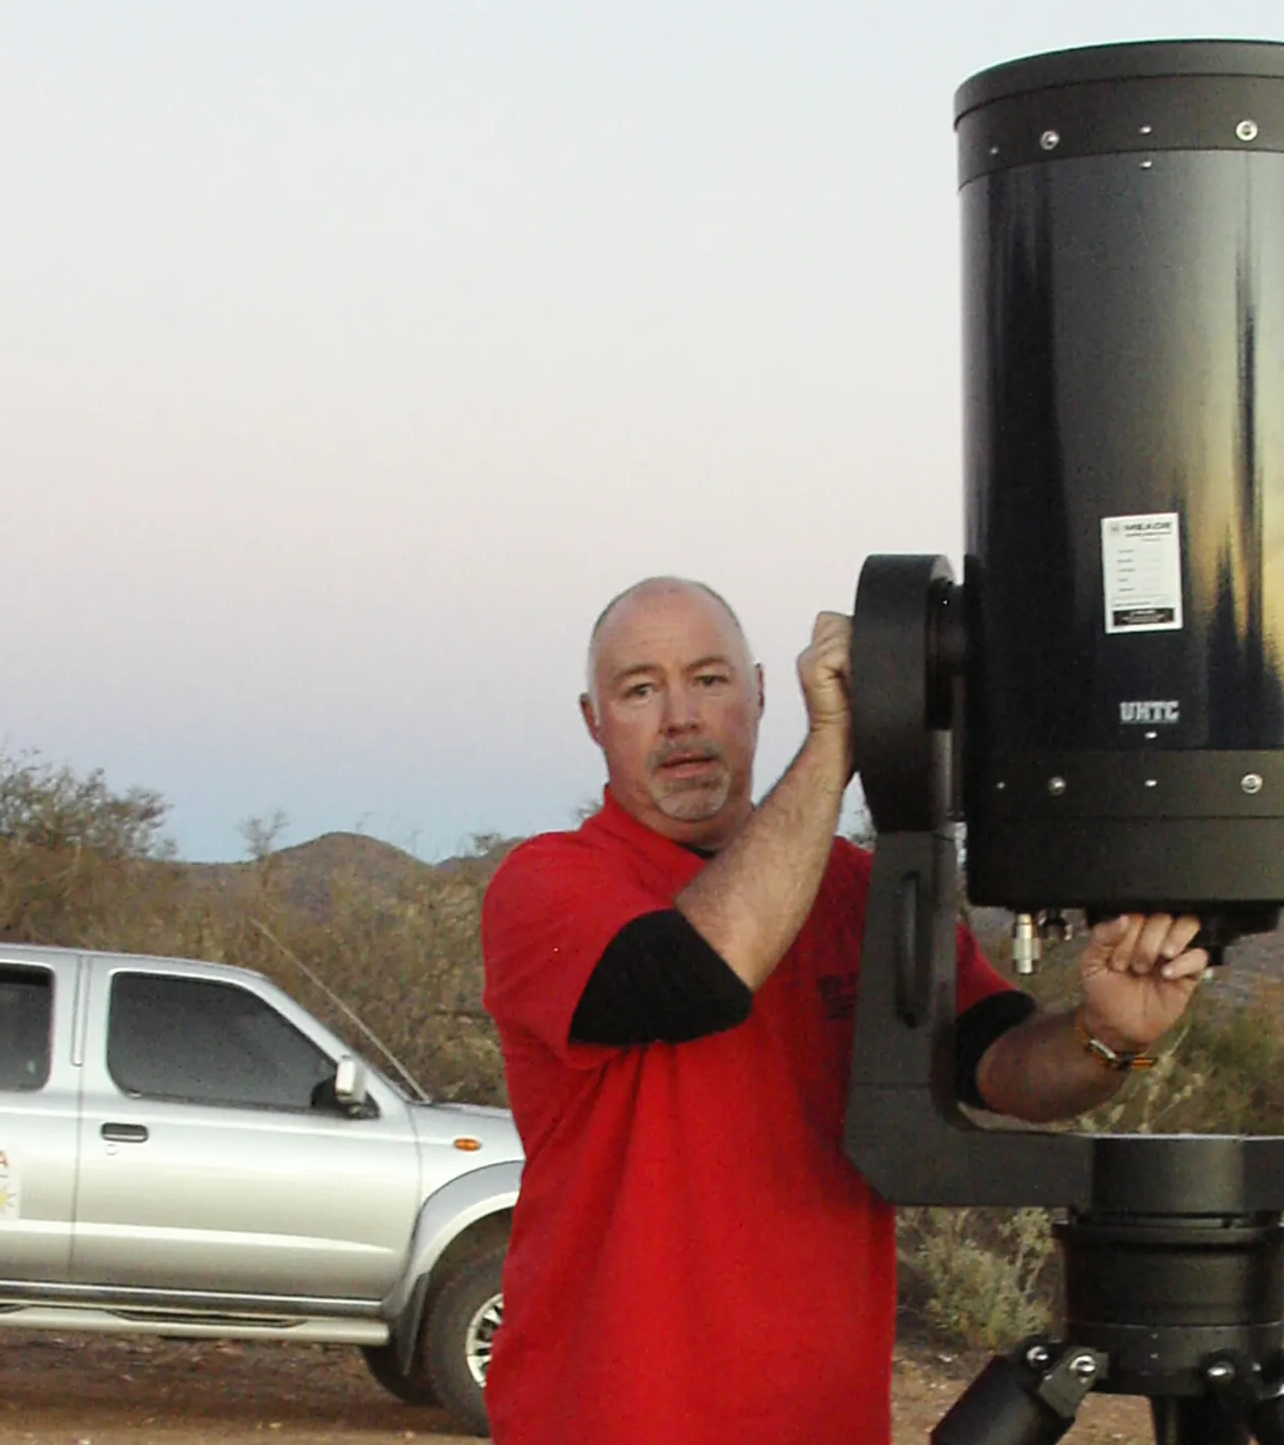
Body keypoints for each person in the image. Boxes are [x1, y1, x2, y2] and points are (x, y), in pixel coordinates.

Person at [480, 577, 1209, 1445]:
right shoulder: (551, 885)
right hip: (610, 1418)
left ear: (755, 692)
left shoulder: (863, 893)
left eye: (708, 680)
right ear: (594, 720)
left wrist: (1108, 1037)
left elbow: (997, 1065)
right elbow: (697, 975)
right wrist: (839, 739)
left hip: (822, 1420)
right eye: (640, 689)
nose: (679, 716)